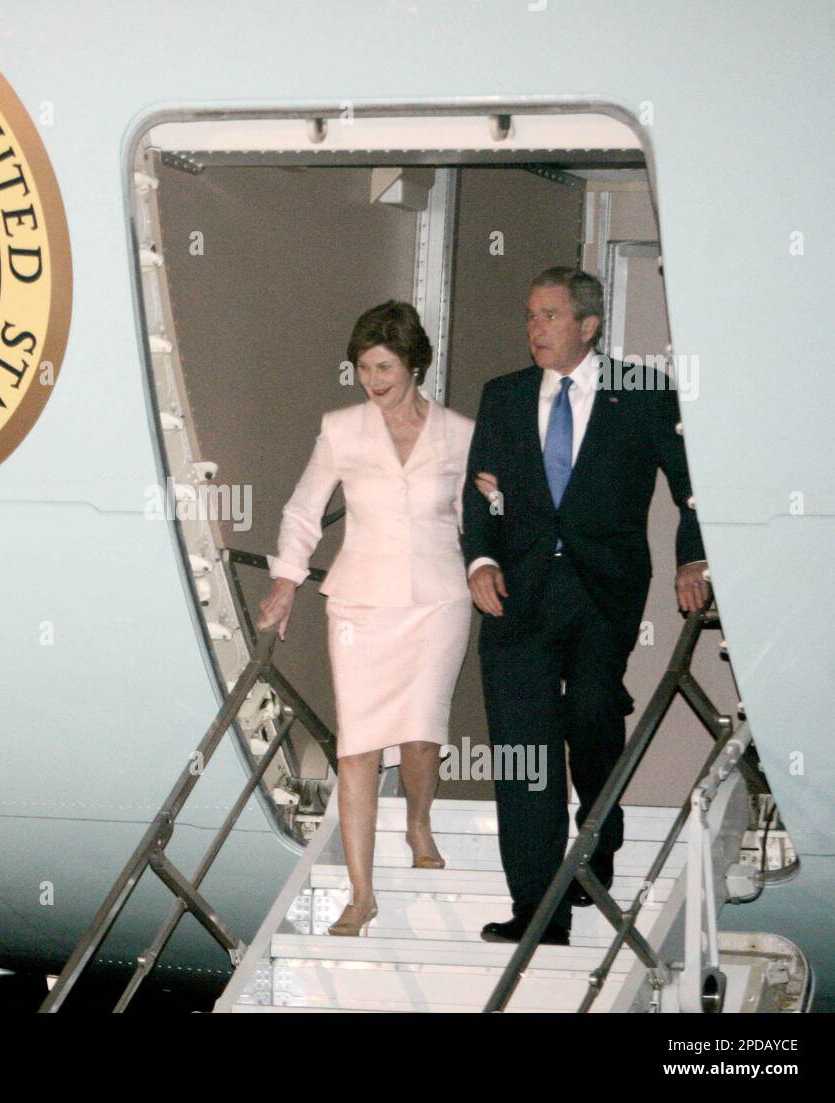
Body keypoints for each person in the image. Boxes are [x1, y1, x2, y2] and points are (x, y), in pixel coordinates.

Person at [461, 267, 710, 947]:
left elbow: (692, 483)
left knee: (593, 710)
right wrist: (479, 558)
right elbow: (480, 493)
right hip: (518, 594)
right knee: (523, 747)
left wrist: (693, 555)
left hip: (604, 590)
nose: (535, 328)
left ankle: (599, 840)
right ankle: (538, 910)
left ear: (589, 325)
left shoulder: (644, 390)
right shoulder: (505, 395)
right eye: (531, 315)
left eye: (549, 316)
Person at [257, 300, 475, 938]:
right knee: (357, 746)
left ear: (413, 364)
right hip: (358, 603)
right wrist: (286, 582)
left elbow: (478, 520)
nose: (372, 380)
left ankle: (418, 821)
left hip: (438, 599)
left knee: (422, 733)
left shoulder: (460, 433)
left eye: (383, 366)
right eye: (362, 368)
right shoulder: (342, 428)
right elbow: (303, 510)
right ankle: (361, 893)